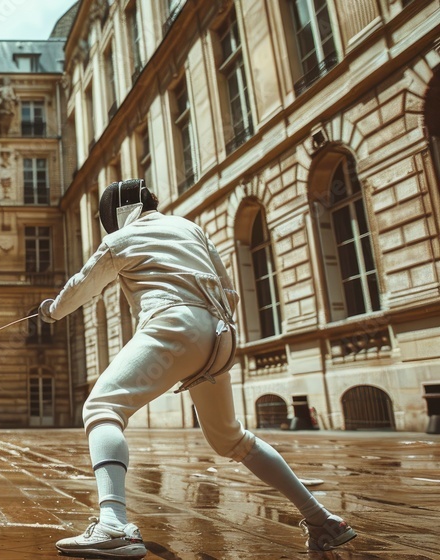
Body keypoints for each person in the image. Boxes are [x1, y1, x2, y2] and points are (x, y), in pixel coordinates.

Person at [39, 179, 357, 558]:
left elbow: (82, 286)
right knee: (231, 438)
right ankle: (322, 519)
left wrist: (52, 310)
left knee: (101, 409)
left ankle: (112, 524)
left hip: (172, 323)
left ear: (118, 213)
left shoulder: (120, 240)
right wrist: (208, 338)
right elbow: (229, 290)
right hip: (219, 333)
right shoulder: (190, 227)